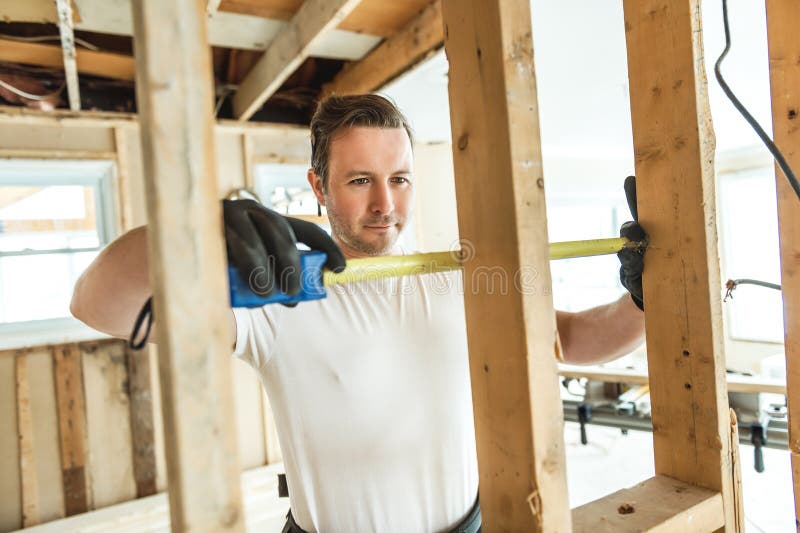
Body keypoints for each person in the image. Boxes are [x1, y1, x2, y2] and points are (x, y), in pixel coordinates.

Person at [71, 94, 647, 533]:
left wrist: (645, 301)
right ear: (318, 186)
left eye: (398, 179)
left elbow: (569, 338)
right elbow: (95, 305)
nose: (385, 205)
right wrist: (190, 234)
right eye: (360, 181)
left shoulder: (455, 273)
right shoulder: (275, 293)